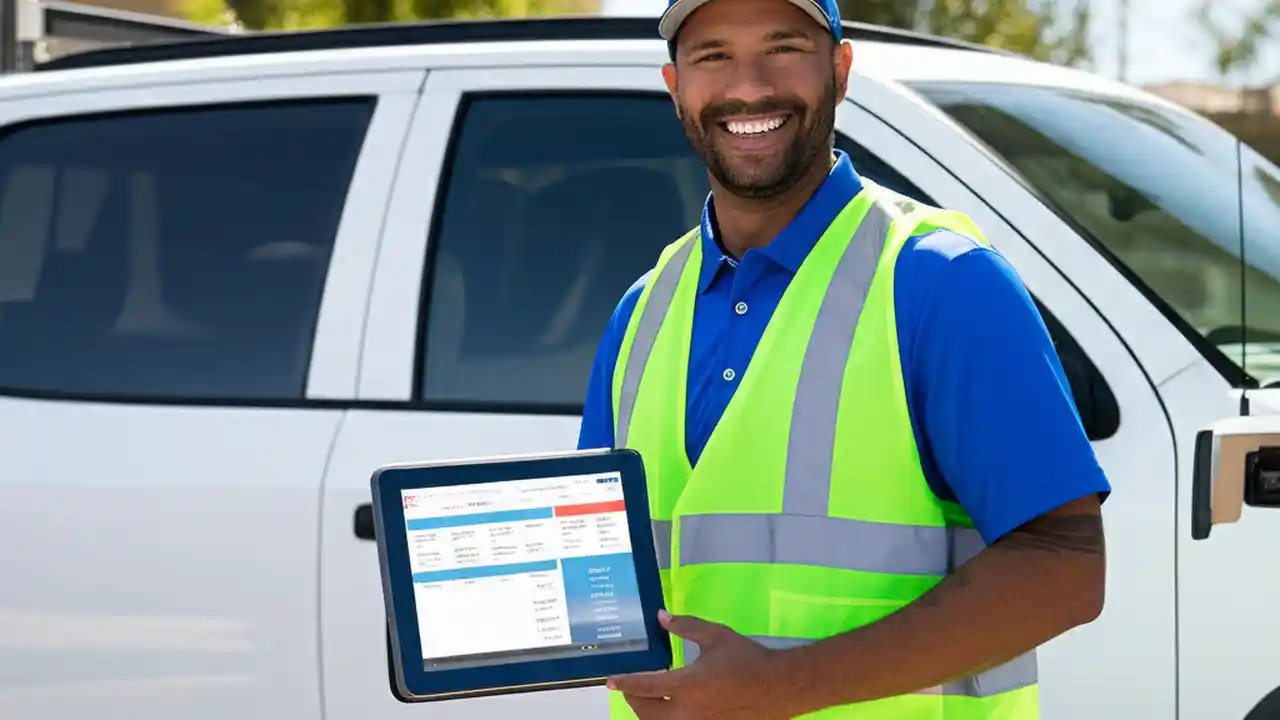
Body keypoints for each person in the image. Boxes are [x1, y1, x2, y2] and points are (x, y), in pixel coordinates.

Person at [575, 0, 1111, 717]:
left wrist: (780, 687)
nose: (748, 86)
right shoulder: (641, 311)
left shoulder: (940, 281)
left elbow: (1065, 567)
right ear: (675, 87)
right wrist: (465, 603)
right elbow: (599, 573)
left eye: (783, 47)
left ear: (841, 68)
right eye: (713, 57)